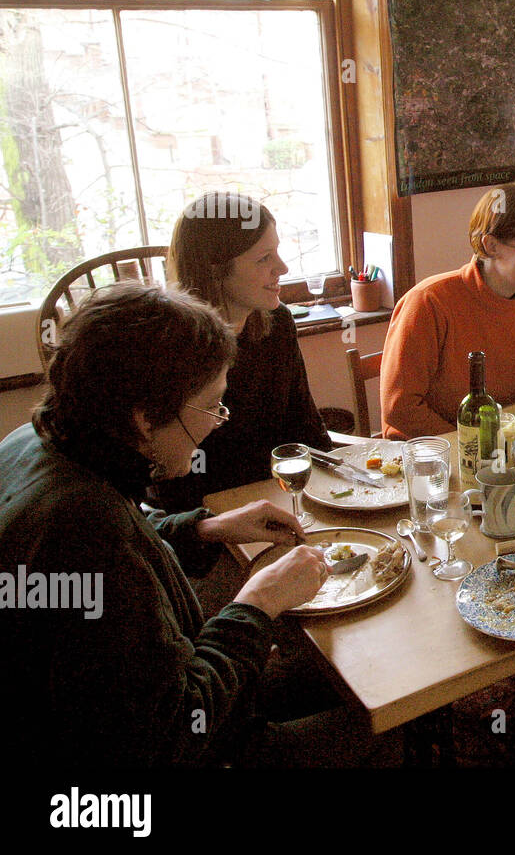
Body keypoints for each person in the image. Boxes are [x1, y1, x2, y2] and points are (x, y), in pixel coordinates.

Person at [0, 282, 347, 766]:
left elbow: (131, 537)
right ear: (144, 418)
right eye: (211, 406)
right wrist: (257, 603)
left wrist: (205, 528)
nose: (217, 422)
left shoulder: (38, 441)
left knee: (344, 669)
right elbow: (170, 734)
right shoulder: (84, 532)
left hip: (154, 688)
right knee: (390, 720)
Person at [153, 192, 332, 513]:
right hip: (207, 517)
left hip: (280, 496)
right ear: (214, 268)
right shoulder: (171, 343)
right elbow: (172, 481)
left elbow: (304, 426)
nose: (283, 267)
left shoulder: (278, 323)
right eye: (264, 258)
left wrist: (338, 489)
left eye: (277, 252)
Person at [381, 183, 515, 437]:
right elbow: (399, 408)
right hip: (429, 455)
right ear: (491, 246)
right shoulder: (428, 302)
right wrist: (475, 446)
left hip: (501, 448)